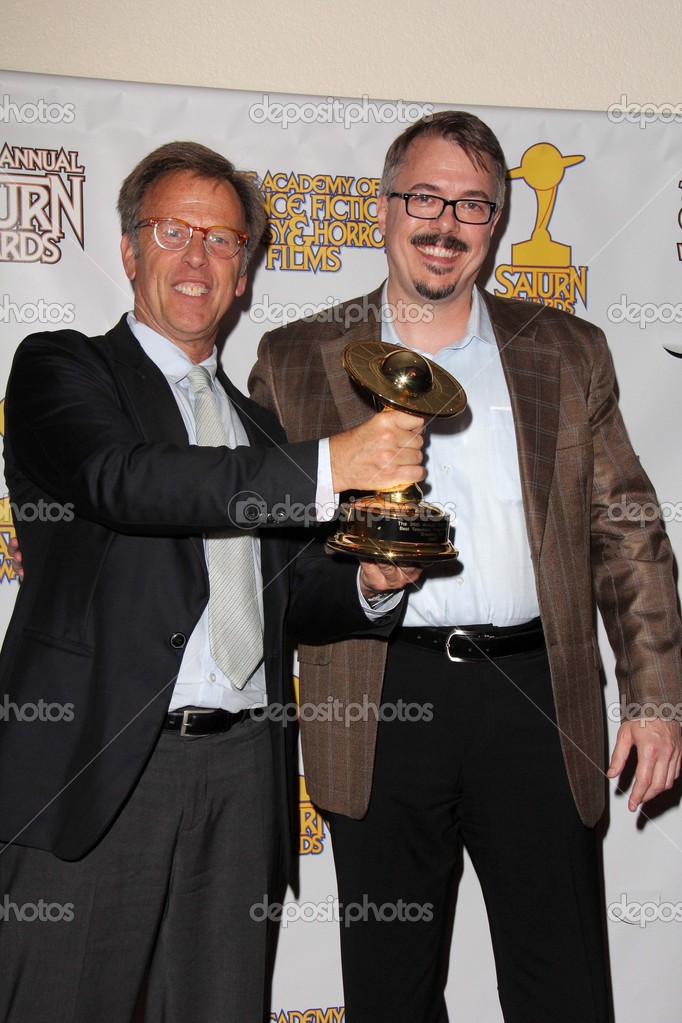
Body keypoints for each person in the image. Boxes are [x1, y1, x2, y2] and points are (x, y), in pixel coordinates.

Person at [250, 111, 682, 1023]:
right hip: (376, 698)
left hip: (535, 697)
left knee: (562, 987)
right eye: (424, 196)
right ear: (382, 207)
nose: (444, 223)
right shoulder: (292, 360)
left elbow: (628, 530)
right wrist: (360, 576)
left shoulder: (567, 352)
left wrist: (654, 696)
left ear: (496, 226)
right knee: (389, 993)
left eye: (473, 205)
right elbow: (267, 562)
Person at [0, 141, 425, 1023]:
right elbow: (126, 480)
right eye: (173, 232)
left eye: (224, 241)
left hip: (242, 778)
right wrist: (331, 462)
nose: (197, 258)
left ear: (243, 275)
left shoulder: (260, 426)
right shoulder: (61, 370)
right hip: (100, 766)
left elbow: (288, 593)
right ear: (128, 251)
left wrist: (371, 582)